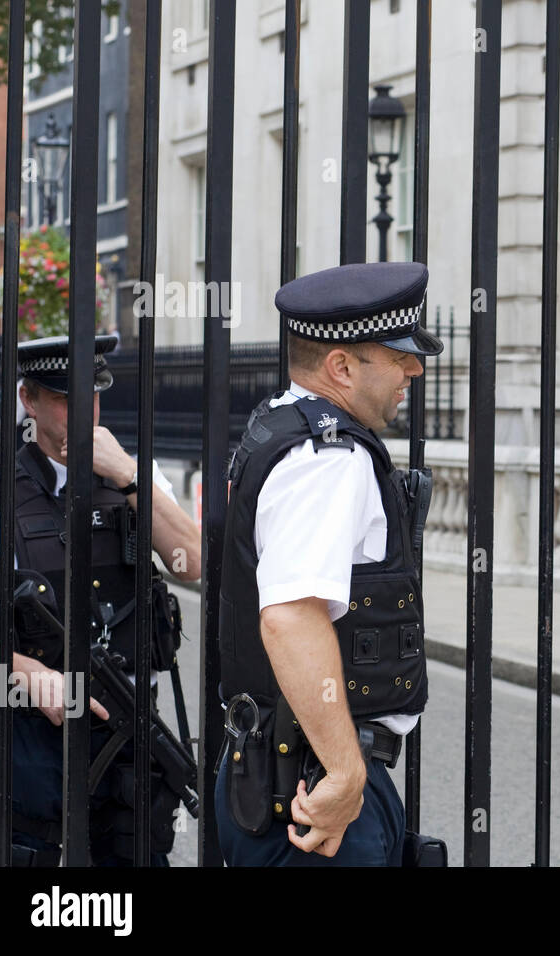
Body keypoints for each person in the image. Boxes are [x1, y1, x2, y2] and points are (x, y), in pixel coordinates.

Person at [214, 261, 442, 866]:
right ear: (341, 365)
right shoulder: (328, 457)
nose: (414, 369)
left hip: (286, 770)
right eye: (398, 356)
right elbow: (289, 617)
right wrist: (343, 773)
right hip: (309, 784)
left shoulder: (280, 426)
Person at [0, 333, 202, 866]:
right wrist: (24, 671)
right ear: (28, 400)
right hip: (34, 730)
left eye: (92, 394)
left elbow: (194, 563)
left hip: (130, 726)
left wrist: (129, 477)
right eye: (62, 398)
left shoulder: (133, 477)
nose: (82, 410)